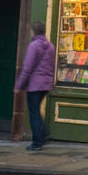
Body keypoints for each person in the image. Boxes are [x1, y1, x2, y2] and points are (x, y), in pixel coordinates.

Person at [14, 21, 56, 151]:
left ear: (34, 31)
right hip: (46, 84)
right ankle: (43, 133)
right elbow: (52, 66)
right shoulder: (50, 46)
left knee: (34, 113)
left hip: (35, 84)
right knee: (36, 111)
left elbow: (27, 68)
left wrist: (18, 85)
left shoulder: (34, 46)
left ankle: (37, 142)